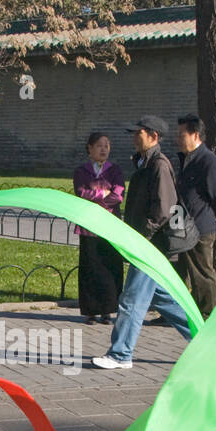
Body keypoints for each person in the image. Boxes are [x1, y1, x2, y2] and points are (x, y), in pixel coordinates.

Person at [92, 115, 192, 371]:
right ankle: (207, 342)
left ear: (154, 136)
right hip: (145, 242)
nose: (134, 137)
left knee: (132, 300)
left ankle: (120, 354)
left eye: (140, 133)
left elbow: (164, 208)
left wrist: (142, 236)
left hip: (149, 245)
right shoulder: (144, 163)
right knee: (165, 300)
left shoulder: (158, 165)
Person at [174, 114, 216, 317]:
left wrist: (215, 212)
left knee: (201, 271)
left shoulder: (208, 160)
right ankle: (175, 309)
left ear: (195, 135)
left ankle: (207, 313)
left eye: (181, 134)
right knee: (179, 268)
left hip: (199, 224)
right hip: (179, 220)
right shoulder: (184, 158)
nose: (178, 139)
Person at [72, 132, 125, 325]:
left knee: (109, 267)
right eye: (100, 146)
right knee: (90, 267)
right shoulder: (81, 171)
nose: (104, 150)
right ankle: (90, 311)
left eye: (107, 146)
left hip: (108, 226)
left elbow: (118, 195)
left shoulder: (114, 170)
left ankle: (107, 310)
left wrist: (97, 198)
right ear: (90, 148)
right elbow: (80, 192)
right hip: (88, 226)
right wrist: (103, 193)